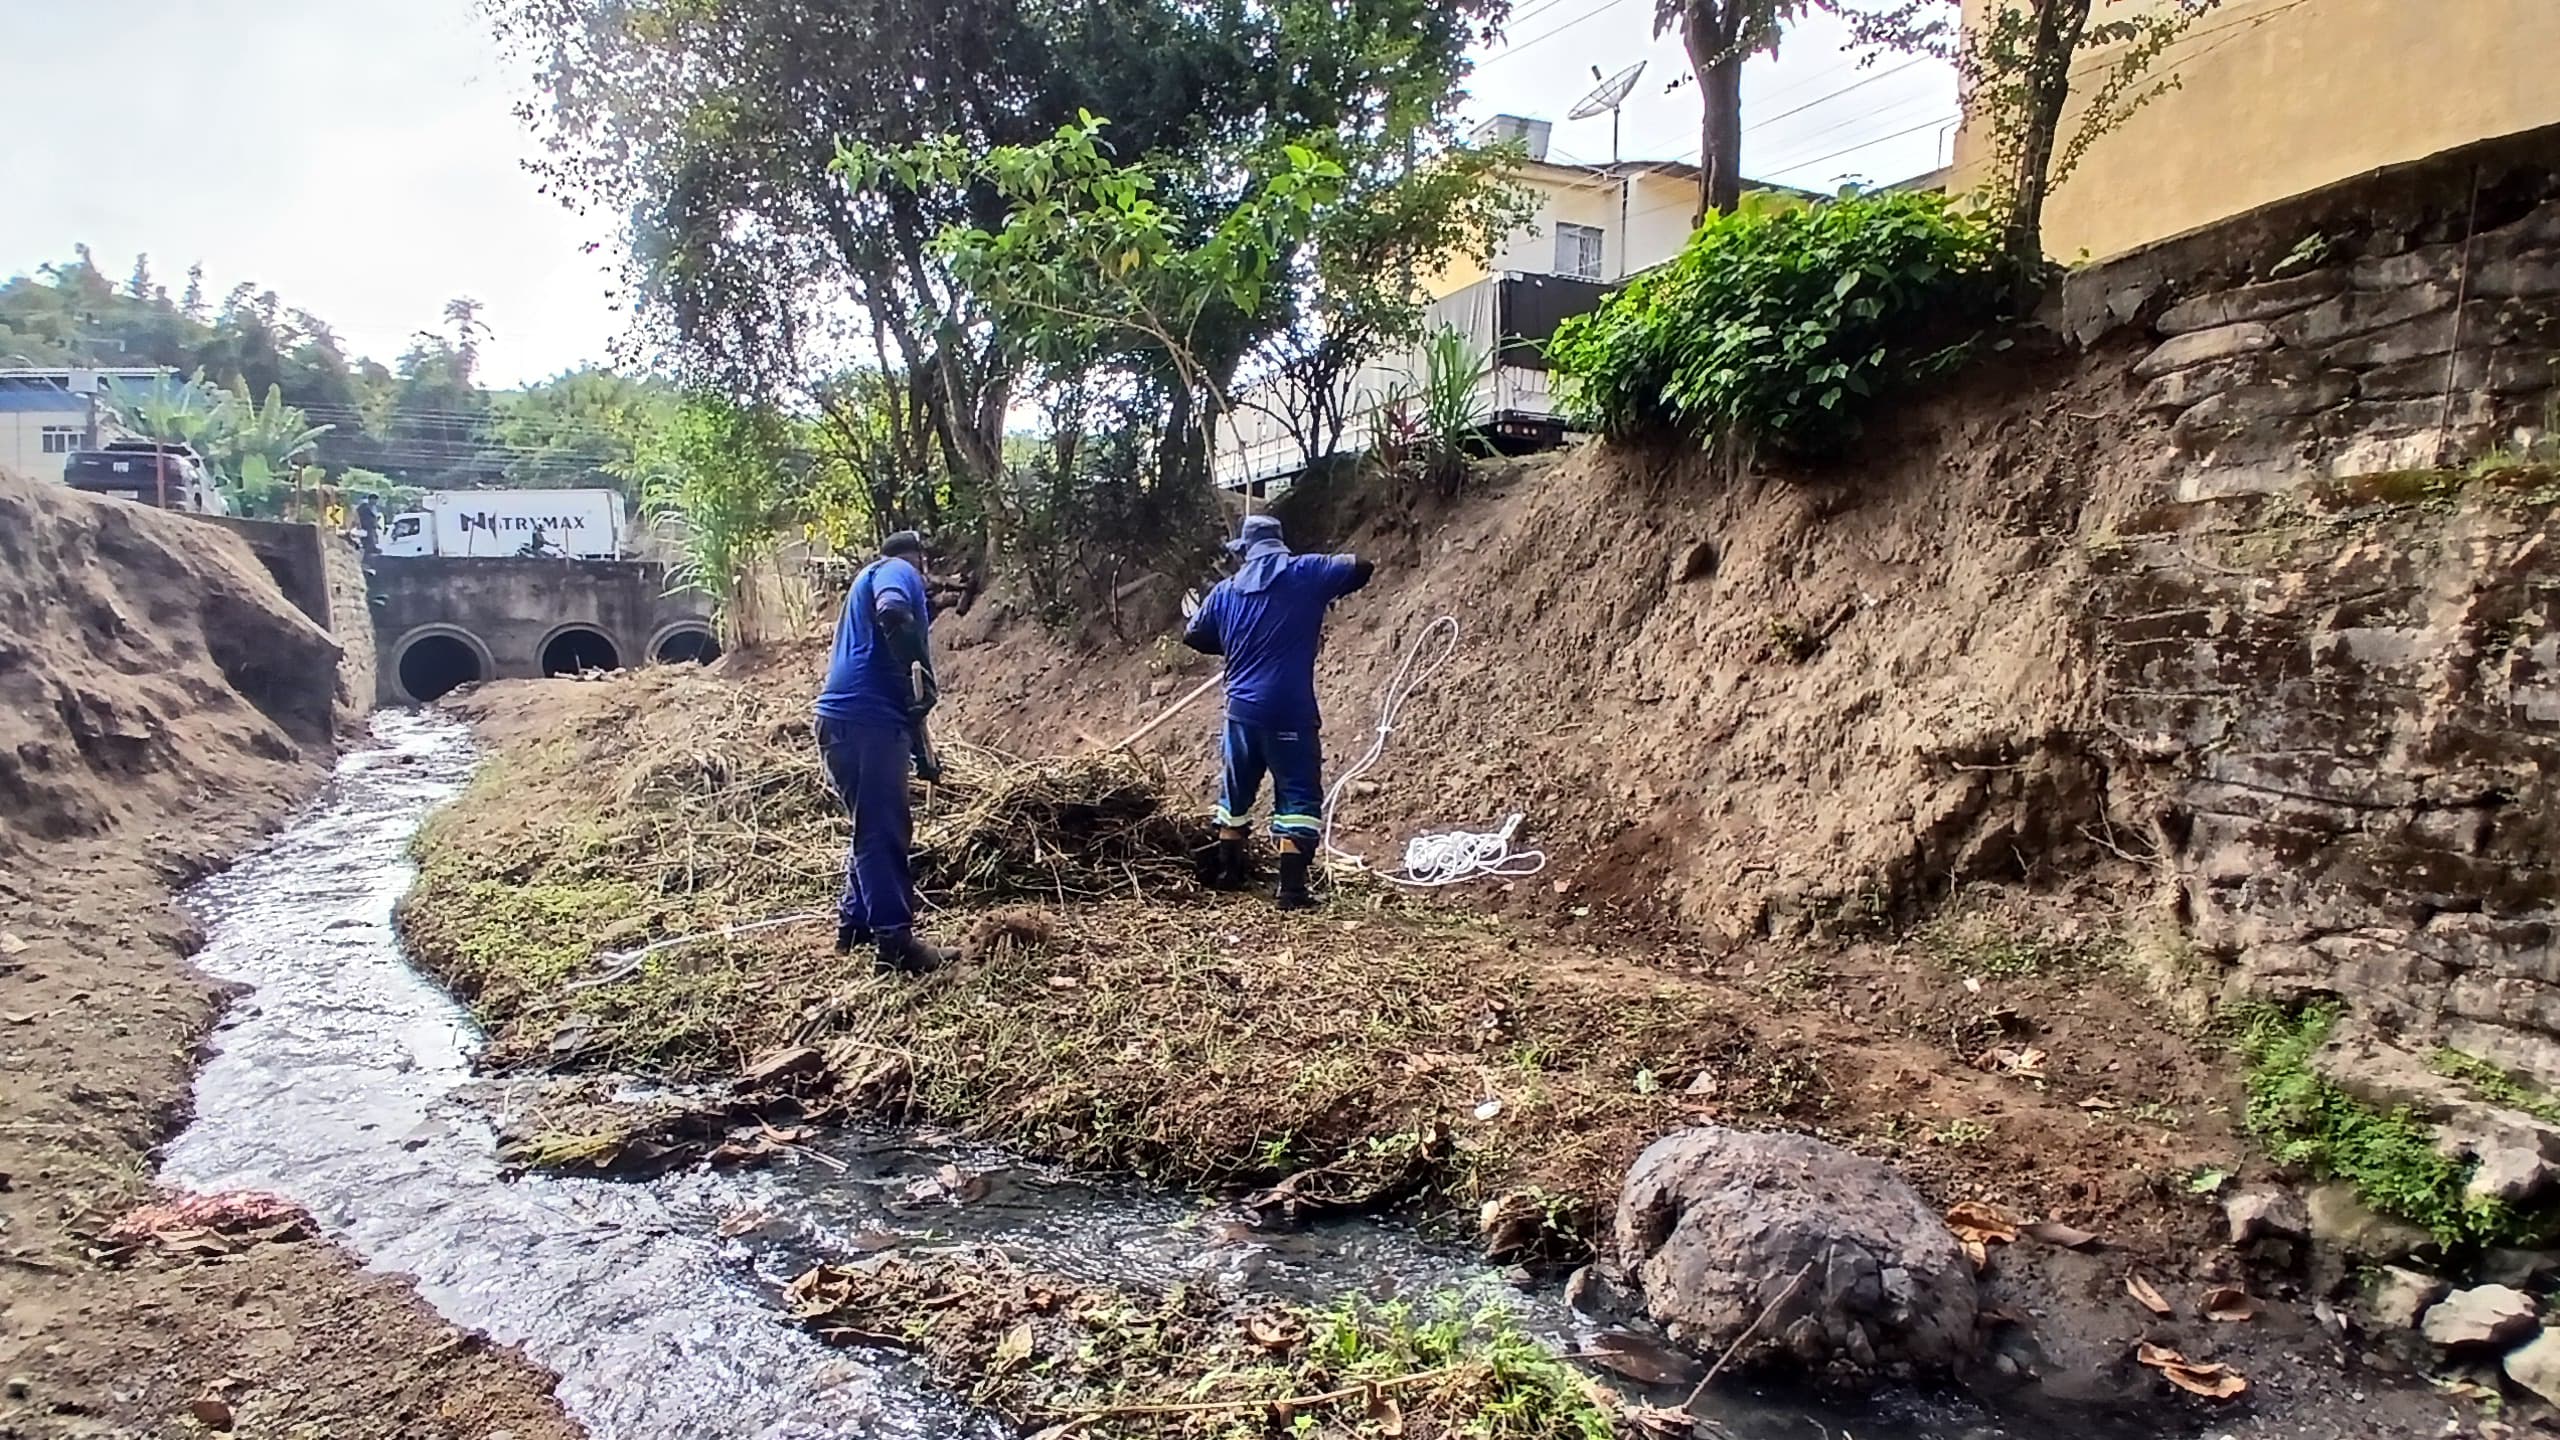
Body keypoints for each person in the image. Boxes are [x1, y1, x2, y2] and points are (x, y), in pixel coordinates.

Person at [1181, 514, 1373, 910]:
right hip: (1290, 711)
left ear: (1246, 551)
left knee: (1235, 793)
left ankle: (1230, 874)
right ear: (1280, 544)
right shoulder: (1305, 572)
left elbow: (1194, 634)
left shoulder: (1225, 591)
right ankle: (1291, 891)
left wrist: (1233, 643)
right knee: (1298, 794)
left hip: (1240, 712)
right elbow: (1360, 566)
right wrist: (1321, 595)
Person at [815, 530, 950, 973]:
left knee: (870, 823)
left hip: (844, 722)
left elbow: (903, 692)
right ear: (919, 562)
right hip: (867, 721)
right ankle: (895, 942)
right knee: (883, 830)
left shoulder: (863, 582)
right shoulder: (896, 571)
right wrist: (920, 668)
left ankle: (854, 924)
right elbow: (893, 610)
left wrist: (922, 754)